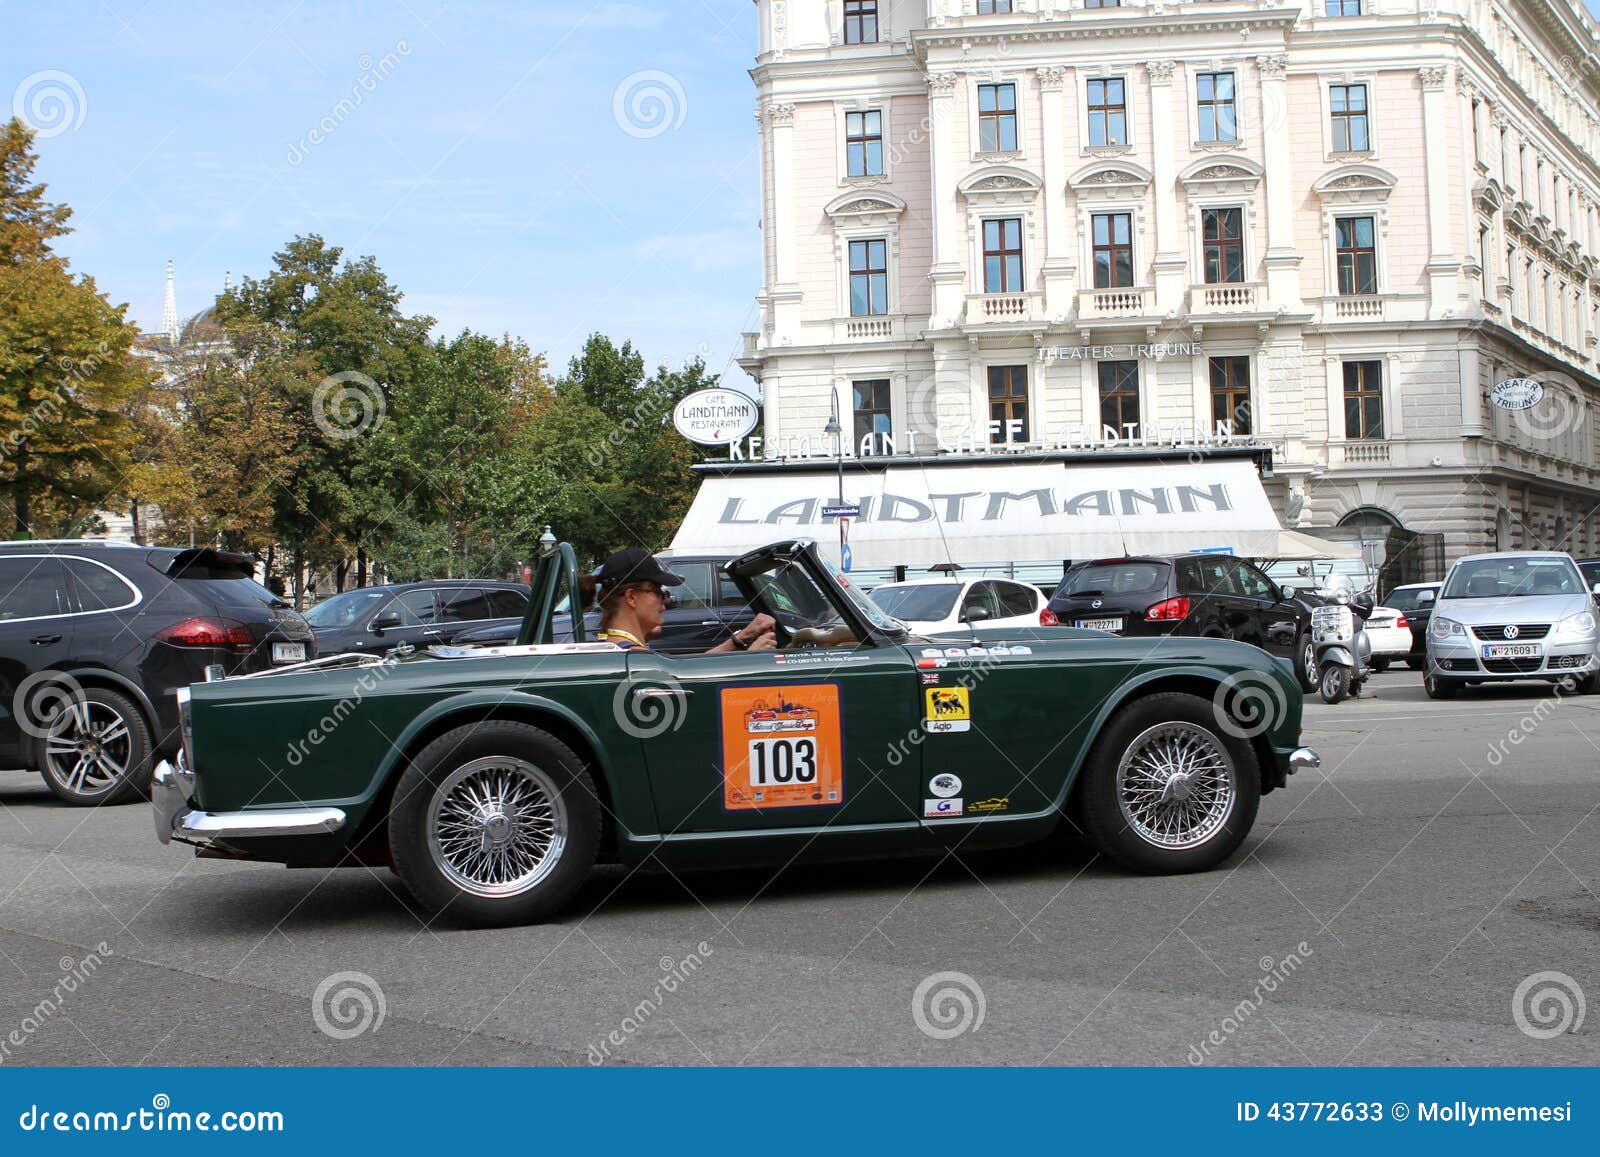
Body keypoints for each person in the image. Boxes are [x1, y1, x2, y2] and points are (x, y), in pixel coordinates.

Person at [579, 548, 776, 653]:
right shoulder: (634, 656)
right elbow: (686, 688)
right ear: (631, 597)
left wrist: (741, 638)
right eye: (659, 592)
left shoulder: (615, 645)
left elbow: (687, 673)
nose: (666, 601)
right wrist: (752, 657)